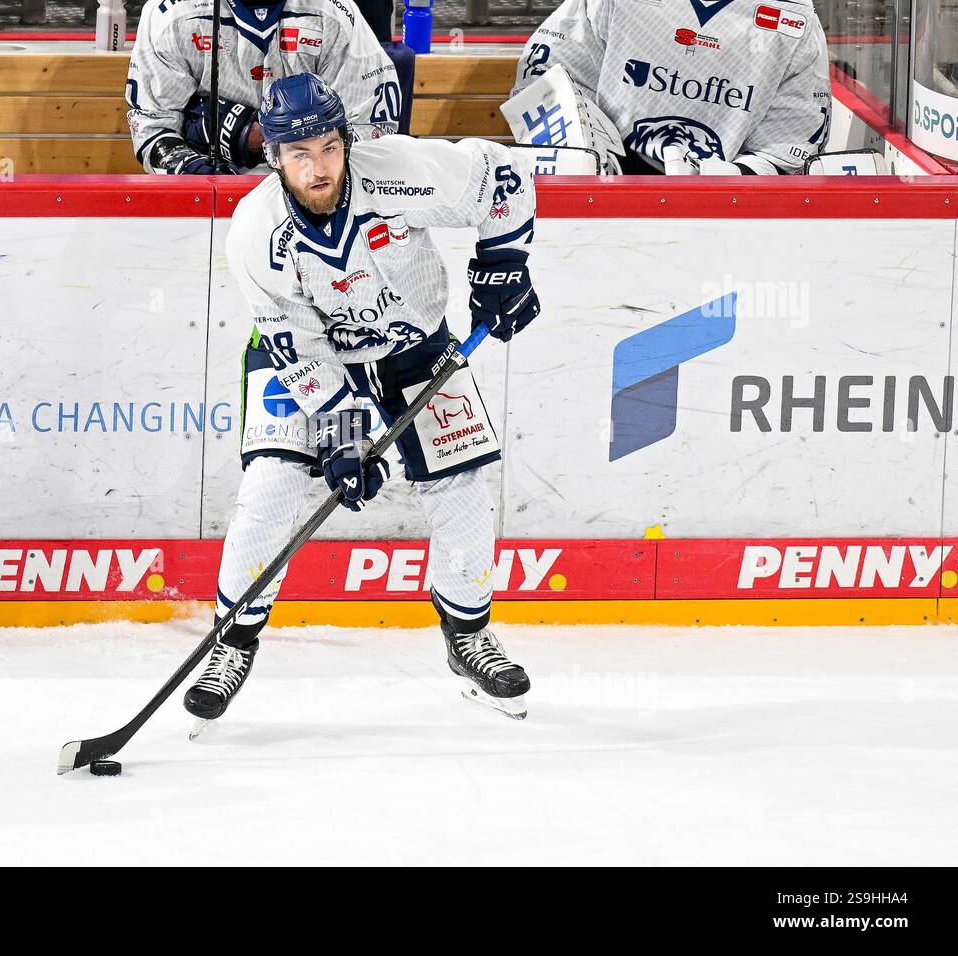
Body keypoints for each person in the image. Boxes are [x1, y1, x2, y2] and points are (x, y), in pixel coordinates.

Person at [185, 72, 540, 728]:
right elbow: (298, 348)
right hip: (304, 360)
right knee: (270, 488)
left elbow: (502, 174)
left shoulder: (399, 168)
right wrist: (343, 435)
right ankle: (230, 644)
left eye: (328, 147)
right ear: (275, 158)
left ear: (346, 140)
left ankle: (468, 636)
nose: (318, 167)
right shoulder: (254, 232)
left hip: (414, 347)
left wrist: (504, 266)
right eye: (299, 155)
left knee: (462, 487)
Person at [506, 0, 831, 174]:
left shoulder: (793, 19)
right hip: (605, 192)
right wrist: (593, 171)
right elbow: (547, 80)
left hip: (719, 221)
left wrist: (732, 181)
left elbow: (790, 145)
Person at [127, 0, 399, 175]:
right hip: (212, 192)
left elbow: (369, 131)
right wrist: (192, 171)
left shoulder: (336, 13)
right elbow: (153, 127)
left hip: (318, 189)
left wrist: (262, 135)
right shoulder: (171, 14)